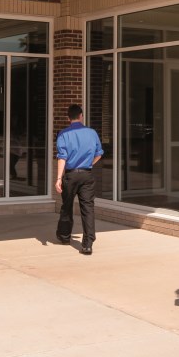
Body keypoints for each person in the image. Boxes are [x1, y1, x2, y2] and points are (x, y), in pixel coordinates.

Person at [55, 103, 103, 255]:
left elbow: (62, 157)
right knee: (88, 208)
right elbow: (99, 153)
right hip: (86, 174)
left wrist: (58, 178)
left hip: (71, 174)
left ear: (68, 118)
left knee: (67, 206)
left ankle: (64, 236)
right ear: (81, 116)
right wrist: (89, 164)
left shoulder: (63, 134)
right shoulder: (92, 133)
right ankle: (88, 244)